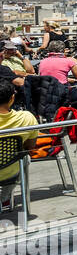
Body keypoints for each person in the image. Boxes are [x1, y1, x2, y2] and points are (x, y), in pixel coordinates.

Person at [0, 77, 39, 216]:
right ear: (12, 98)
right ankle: (3, 198)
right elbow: (31, 146)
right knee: (25, 158)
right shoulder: (27, 118)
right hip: (11, 172)